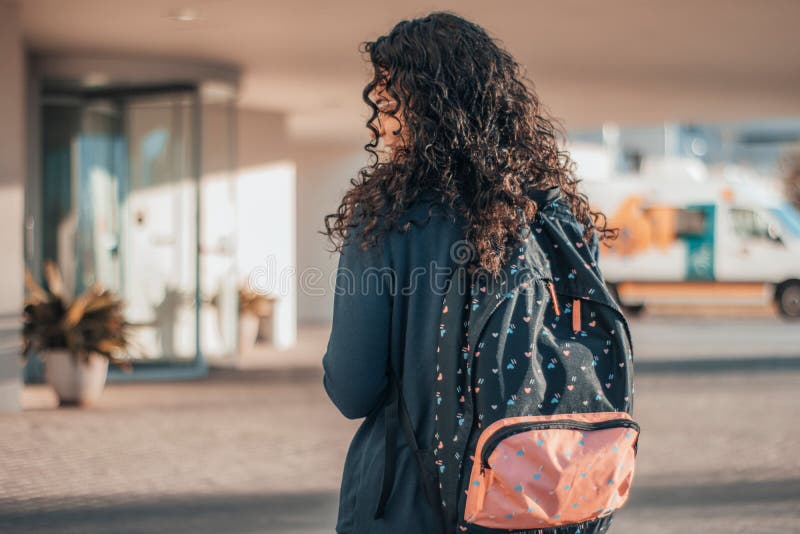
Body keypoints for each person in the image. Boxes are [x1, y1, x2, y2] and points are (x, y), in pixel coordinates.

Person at [321, 12, 616, 534]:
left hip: (412, 502)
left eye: (389, 105)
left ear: (426, 109)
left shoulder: (389, 215)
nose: (380, 124)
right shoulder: (557, 214)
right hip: (546, 495)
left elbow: (352, 387)